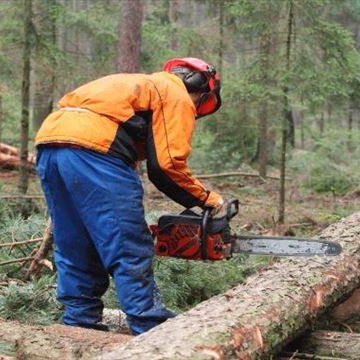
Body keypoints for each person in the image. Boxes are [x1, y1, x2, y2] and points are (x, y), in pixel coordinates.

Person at [34, 57, 225, 335]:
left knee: (74, 240)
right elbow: (167, 166)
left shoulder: (138, 86)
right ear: (199, 87)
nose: (194, 108)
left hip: (51, 142)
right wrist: (207, 199)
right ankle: (151, 327)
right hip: (96, 152)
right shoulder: (175, 92)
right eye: (199, 102)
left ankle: (79, 324)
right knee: (127, 241)